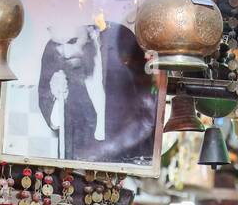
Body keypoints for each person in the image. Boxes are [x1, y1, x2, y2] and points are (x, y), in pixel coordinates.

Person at [37, 19, 157, 165]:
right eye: (59, 45)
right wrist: (57, 95)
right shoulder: (54, 53)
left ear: (91, 31)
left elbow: (145, 108)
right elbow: (54, 122)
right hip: (78, 163)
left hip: (123, 160)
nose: (66, 53)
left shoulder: (121, 38)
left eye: (72, 42)